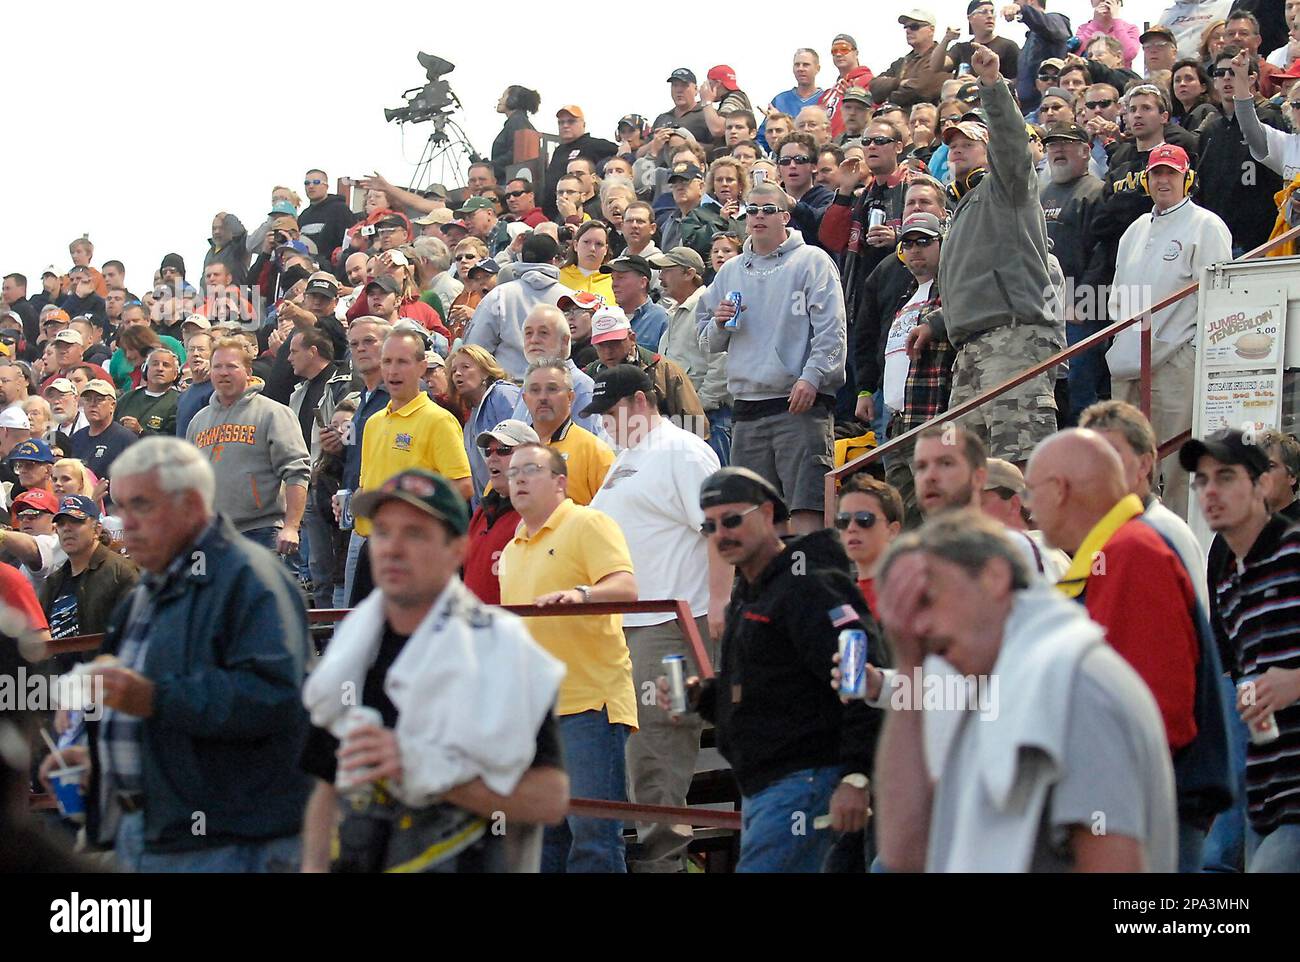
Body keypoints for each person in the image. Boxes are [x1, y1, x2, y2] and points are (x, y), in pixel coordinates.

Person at [37, 437, 311, 872]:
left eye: (141, 506)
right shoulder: (148, 589)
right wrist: (97, 761)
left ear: (191, 505)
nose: (126, 524)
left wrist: (153, 698)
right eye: (122, 507)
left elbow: (277, 697)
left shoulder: (252, 580)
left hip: (227, 843)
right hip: (151, 833)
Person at [870, 510, 1177, 871]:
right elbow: (906, 854)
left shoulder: (1075, 683)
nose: (917, 626)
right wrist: (909, 663)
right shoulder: (992, 683)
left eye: (928, 598)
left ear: (994, 577)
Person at [300, 467, 568, 874]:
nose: (391, 548)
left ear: (457, 550)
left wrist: (420, 768)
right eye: (384, 531)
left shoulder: (501, 649)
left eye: (415, 534)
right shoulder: (354, 649)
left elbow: (548, 799)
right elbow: (325, 784)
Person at [660, 466, 882, 872]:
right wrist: (704, 695)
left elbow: (862, 678)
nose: (721, 534)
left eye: (731, 520)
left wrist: (856, 777)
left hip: (806, 783)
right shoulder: (750, 591)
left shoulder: (809, 584)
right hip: (770, 786)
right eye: (709, 526)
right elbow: (767, 691)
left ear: (766, 514)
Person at [1027, 428, 1226, 870]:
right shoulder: (1109, 553)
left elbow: (1160, 710)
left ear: (1061, 490)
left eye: (1031, 490)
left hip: (1141, 809)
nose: (1029, 507)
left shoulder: (1130, 553)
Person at [583, 365, 724, 872]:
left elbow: (721, 532)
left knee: (658, 749)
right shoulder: (628, 458)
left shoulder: (683, 452)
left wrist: (718, 610)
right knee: (637, 753)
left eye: (610, 412)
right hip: (628, 626)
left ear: (642, 400)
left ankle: (666, 866)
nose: (604, 423)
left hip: (669, 623)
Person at [908, 44, 1058, 468]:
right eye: (951, 143)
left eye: (968, 142)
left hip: (1013, 340)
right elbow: (975, 278)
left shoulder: (1008, 188)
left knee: (1016, 464)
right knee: (967, 472)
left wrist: (991, 85)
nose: (956, 148)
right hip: (970, 348)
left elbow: (1012, 139)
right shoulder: (961, 210)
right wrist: (937, 323)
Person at [497, 442, 639, 873]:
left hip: (589, 705)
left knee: (593, 837)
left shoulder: (587, 523)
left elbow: (626, 588)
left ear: (560, 482)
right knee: (544, 842)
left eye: (530, 470)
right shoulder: (513, 546)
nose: (517, 478)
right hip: (535, 714)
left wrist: (582, 594)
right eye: (513, 471)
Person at [1182, 429, 1300, 872]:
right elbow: (1224, 633)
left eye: (1228, 477)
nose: (1212, 492)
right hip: (1268, 785)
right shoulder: (1228, 565)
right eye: (1203, 480)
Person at [701, 182, 845, 533]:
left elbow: (833, 330)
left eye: (767, 209)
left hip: (798, 405)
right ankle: (768, 587)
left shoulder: (812, 260)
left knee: (806, 508)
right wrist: (719, 323)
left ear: (785, 216)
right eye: (751, 210)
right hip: (747, 406)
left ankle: (804, 581)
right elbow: (707, 341)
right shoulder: (730, 270)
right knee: (757, 518)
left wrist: (812, 377)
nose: (759, 216)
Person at [1106, 143, 1231, 517]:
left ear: (1187, 179)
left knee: (1175, 461)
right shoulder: (1133, 229)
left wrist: (1193, 349)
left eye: (1170, 173)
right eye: (1156, 173)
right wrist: (1118, 339)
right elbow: (1117, 293)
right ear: (1146, 179)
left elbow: (1218, 294)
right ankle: (1131, 538)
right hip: (1129, 359)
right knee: (1126, 458)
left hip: (1176, 359)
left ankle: (1179, 545)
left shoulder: (1206, 225)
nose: (1163, 180)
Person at [186, 338, 311, 554]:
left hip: (260, 531)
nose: (223, 372)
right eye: (217, 367)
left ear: (248, 371)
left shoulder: (273, 413)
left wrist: (291, 527)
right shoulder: (198, 421)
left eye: (232, 366)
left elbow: (297, 472)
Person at [1039, 121, 1106, 424]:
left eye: (1065, 144)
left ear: (1085, 150)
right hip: (1044, 305)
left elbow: (1104, 251)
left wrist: (1082, 300)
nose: (1058, 151)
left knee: (1080, 389)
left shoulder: (1095, 191)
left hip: (1080, 308)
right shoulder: (1042, 193)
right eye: (1052, 145)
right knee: (1050, 391)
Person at [1198, 49, 1286, 252]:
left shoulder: (1268, 121)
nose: (1227, 77)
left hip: (1261, 239)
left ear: (1252, 77)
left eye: (1233, 71)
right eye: (1220, 73)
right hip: (1219, 240)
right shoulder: (1210, 131)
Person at [38, 495, 139, 668]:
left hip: (107, 680)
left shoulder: (122, 572)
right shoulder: (53, 582)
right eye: (61, 524)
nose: (66, 529)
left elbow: (136, 634)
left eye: (77, 522)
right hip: (62, 684)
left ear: (97, 530)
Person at [651, 247, 731, 464]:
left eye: (667, 270)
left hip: (710, 420)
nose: (660, 277)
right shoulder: (677, 311)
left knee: (714, 491)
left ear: (688, 273)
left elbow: (721, 364)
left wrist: (699, 406)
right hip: (686, 419)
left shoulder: (705, 306)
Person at [463, 234, 570, 380]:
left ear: (521, 258)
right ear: (554, 260)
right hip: (558, 387)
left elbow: (476, 349)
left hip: (508, 389)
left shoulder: (499, 295)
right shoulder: (570, 298)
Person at [463, 420, 539, 605]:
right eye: (488, 451)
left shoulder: (539, 517)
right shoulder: (482, 513)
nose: (492, 457)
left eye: (504, 449)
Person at [520, 358, 613, 506]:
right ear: (525, 399)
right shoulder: (512, 449)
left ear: (570, 397)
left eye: (552, 389)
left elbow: (612, 512)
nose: (543, 397)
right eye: (535, 390)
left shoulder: (594, 451)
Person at [835, 474, 904, 620]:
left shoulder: (911, 594)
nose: (851, 528)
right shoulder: (840, 605)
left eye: (864, 519)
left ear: (892, 531)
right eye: (843, 520)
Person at [544, 106, 619, 221]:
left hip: (585, 209)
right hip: (555, 213)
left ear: (583, 124)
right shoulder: (559, 150)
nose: (565, 125)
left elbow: (620, 154)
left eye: (571, 121)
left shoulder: (594, 145)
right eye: (561, 122)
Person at [1004, 0, 1073, 112]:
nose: (1013, 3)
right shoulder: (1030, 38)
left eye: (1017, 1)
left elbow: (1048, 26)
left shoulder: (1055, 20)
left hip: (1047, 106)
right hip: (1027, 109)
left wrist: (1023, 10)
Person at [870, 13, 945, 110]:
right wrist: (900, 83)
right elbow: (874, 87)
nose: (908, 31)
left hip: (924, 120)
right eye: (906, 27)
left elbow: (921, 90)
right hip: (897, 120)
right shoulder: (901, 62)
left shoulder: (942, 59)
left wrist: (890, 94)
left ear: (931, 30)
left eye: (914, 27)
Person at [69, 380, 137, 484]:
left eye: (99, 400)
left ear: (112, 405)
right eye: (88, 399)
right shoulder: (76, 438)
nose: (92, 404)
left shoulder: (125, 439)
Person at [0, 487, 64, 593]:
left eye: (32, 514)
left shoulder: (57, 543)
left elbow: (32, 547)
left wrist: (1, 534)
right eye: (21, 515)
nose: (25, 520)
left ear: (54, 521)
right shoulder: (12, 554)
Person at [935, 2, 1021, 80]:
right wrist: (946, 40)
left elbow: (1016, 82)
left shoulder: (1008, 46)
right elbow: (936, 66)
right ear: (970, 18)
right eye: (983, 12)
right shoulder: (961, 48)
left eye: (992, 12)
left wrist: (980, 84)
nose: (990, 16)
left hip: (994, 96)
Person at [114, 348, 181, 437]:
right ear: (145, 370)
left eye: (166, 365)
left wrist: (141, 432)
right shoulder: (127, 398)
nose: (160, 369)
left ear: (175, 374)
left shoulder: (180, 401)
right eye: (155, 364)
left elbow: (173, 439)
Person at [298, 169, 359, 264]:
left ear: (326, 186)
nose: (311, 186)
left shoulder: (341, 210)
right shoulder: (303, 216)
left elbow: (349, 243)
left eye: (316, 182)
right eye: (307, 183)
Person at [491, 85, 541, 182]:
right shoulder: (519, 122)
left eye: (503, 96)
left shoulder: (517, 122)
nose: (499, 99)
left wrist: (489, 167)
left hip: (509, 181)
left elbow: (515, 155)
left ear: (513, 99)